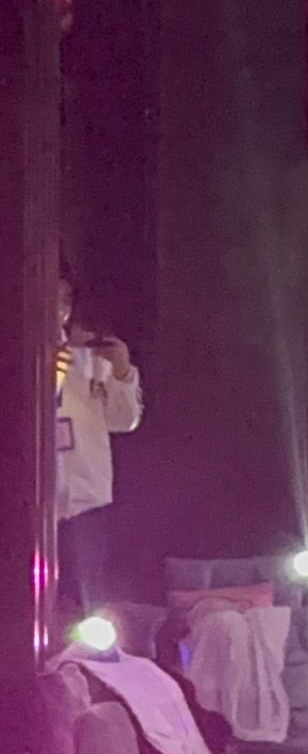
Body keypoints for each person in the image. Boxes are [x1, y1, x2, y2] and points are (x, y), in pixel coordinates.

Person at [52, 262, 143, 617]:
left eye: (66, 298)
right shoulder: (26, 353)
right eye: (53, 297)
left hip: (87, 499)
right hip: (36, 500)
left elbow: (124, 421)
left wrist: (122, 371)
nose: (61, 307)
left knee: (86, 604)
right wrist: (57, 363)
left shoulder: (91, 355)